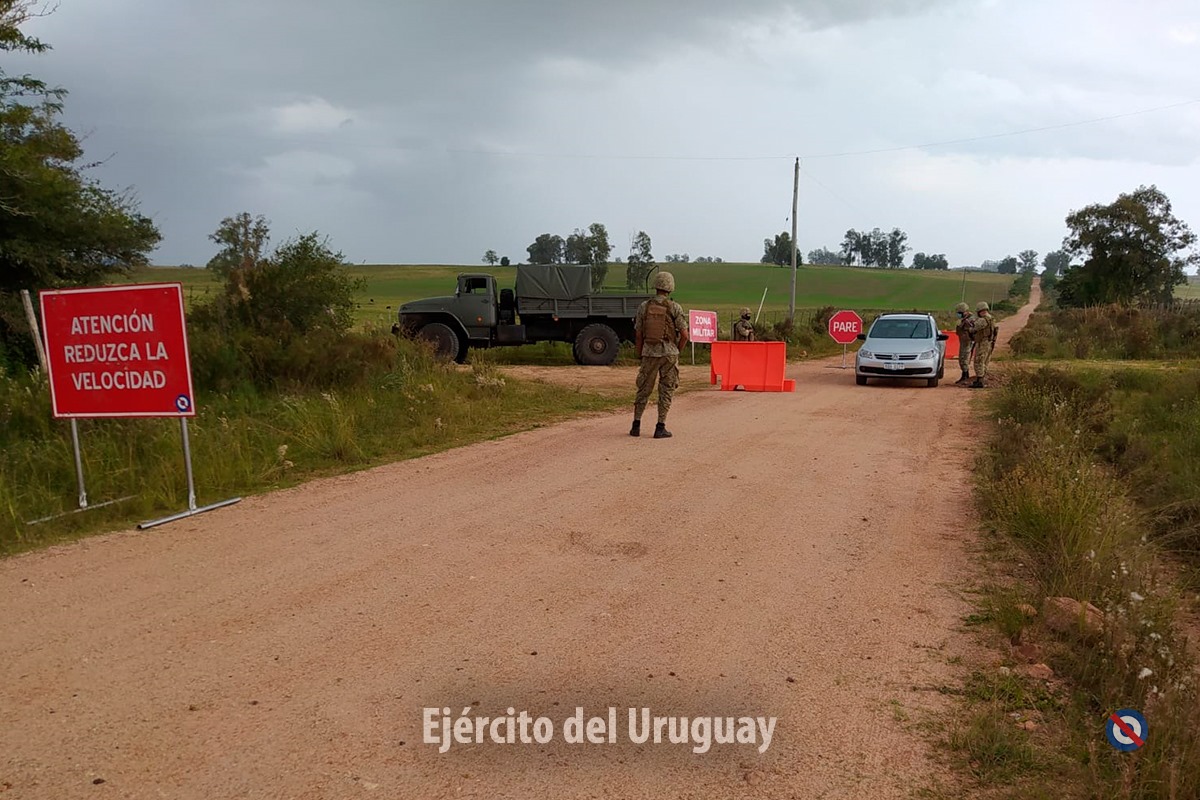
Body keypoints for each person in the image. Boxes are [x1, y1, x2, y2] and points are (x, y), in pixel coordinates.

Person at [631, 271, 688, 438]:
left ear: (655, 285)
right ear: (670, 287)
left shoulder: (644, 307)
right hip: (669, 354)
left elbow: (639, 335)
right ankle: (660, 426)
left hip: (649, 352)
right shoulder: (674, 307)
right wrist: (677, 350)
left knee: (644, 388)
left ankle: (636, 425)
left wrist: (640, 354)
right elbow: (685, 335)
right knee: (666, 389)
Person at [968, 301, 995, 389]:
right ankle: (981, 379)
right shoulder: (990, 318)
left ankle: (979, 380)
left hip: (982, 342)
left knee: (979, 360)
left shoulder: (983, 320)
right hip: (988, 342)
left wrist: (970, 327)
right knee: (984, 361)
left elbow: (973, 328)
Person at [953, 302, 974, 385]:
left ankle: (965, 376)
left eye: (960, 313)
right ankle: (965, 375)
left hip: (967, 342)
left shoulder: (970, 320)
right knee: (962, 359)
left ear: (965, 312)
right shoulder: (963, 320)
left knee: (964, 359)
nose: (958, 314)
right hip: (963, 341)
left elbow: (973, 331)